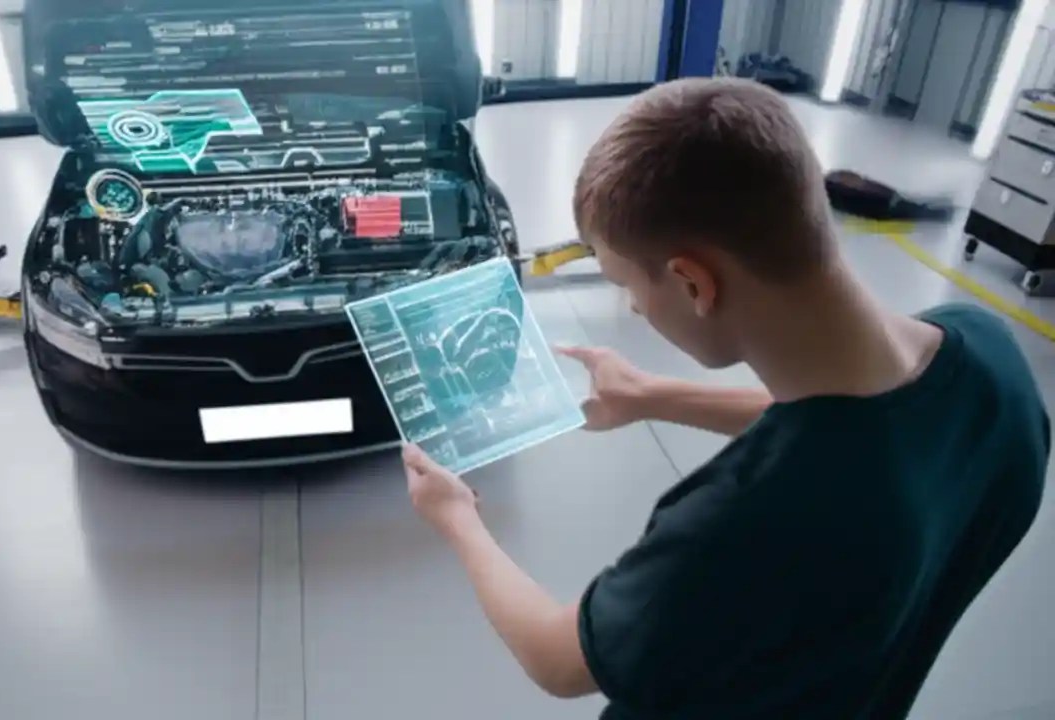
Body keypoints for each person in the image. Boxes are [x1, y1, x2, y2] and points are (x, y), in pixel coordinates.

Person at [401, 77, 1050, 719]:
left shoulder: (739, 525)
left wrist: (455, 516)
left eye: (627, 284)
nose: (632, 305)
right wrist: (653, 396)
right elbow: (864, 429)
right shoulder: (994, 364)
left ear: (691, 283)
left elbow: (557, 660)